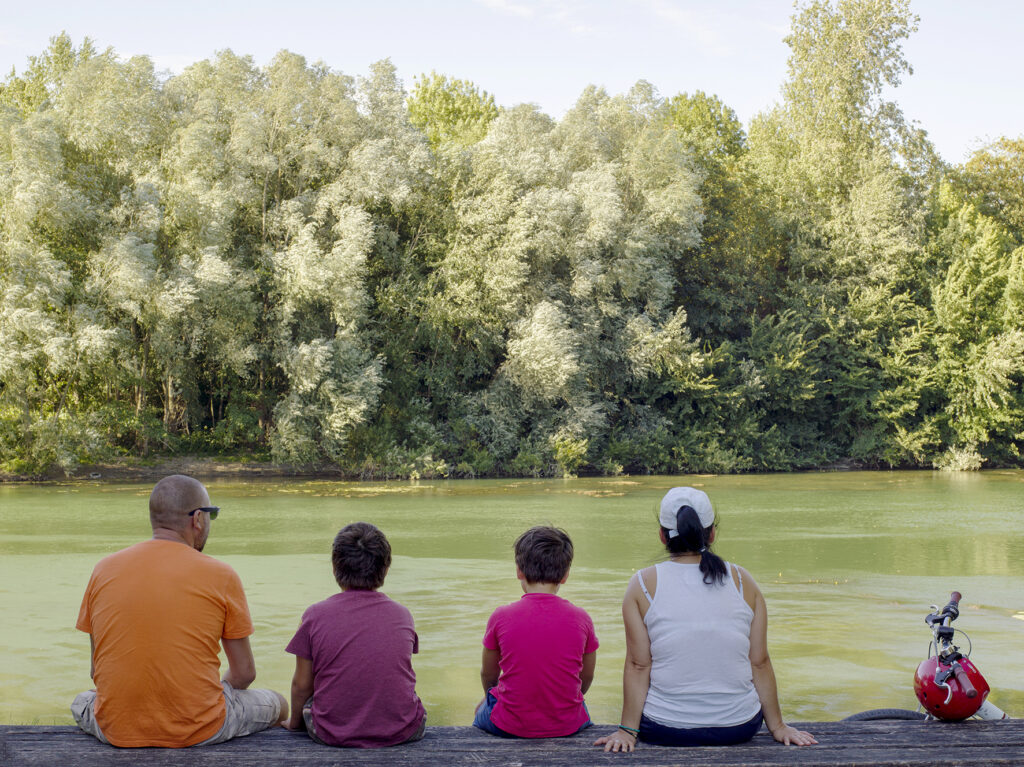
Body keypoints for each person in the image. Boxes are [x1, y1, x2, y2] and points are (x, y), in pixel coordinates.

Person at [72, 474, 287, 748]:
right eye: (211, 514)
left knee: (82, 700)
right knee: (279, 703)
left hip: (113, 728)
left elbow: (97, 671)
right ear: (197, 519)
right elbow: (244, 673)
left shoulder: (103, 570)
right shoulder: (221, 574)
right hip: (200, 729)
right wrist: (203, 696)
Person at [595, 487, 816, 752]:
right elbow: (759, 661)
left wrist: (627, 731)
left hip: (665, 727)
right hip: (739, 726)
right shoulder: (743, 580)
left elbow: (638, 664)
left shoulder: (642, 584)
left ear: (662, 536)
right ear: (711, 534)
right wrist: (778, 726)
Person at [284, 522, 426, 747]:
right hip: (402, 731)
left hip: (331, 733)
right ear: (386, 569)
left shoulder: (314, 616)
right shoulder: (403, 615)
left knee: (313, 700)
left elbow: (302, 686)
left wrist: (294, 724)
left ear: (334, 567)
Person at [473, 525, 598, 738]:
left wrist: (490, 697)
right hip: (568, 724)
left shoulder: (501, 616)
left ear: (518, 571)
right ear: (565, 575)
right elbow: (586, 676)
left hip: (510, 725)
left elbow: (488, 674)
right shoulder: (581, 618)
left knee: (480, 713)